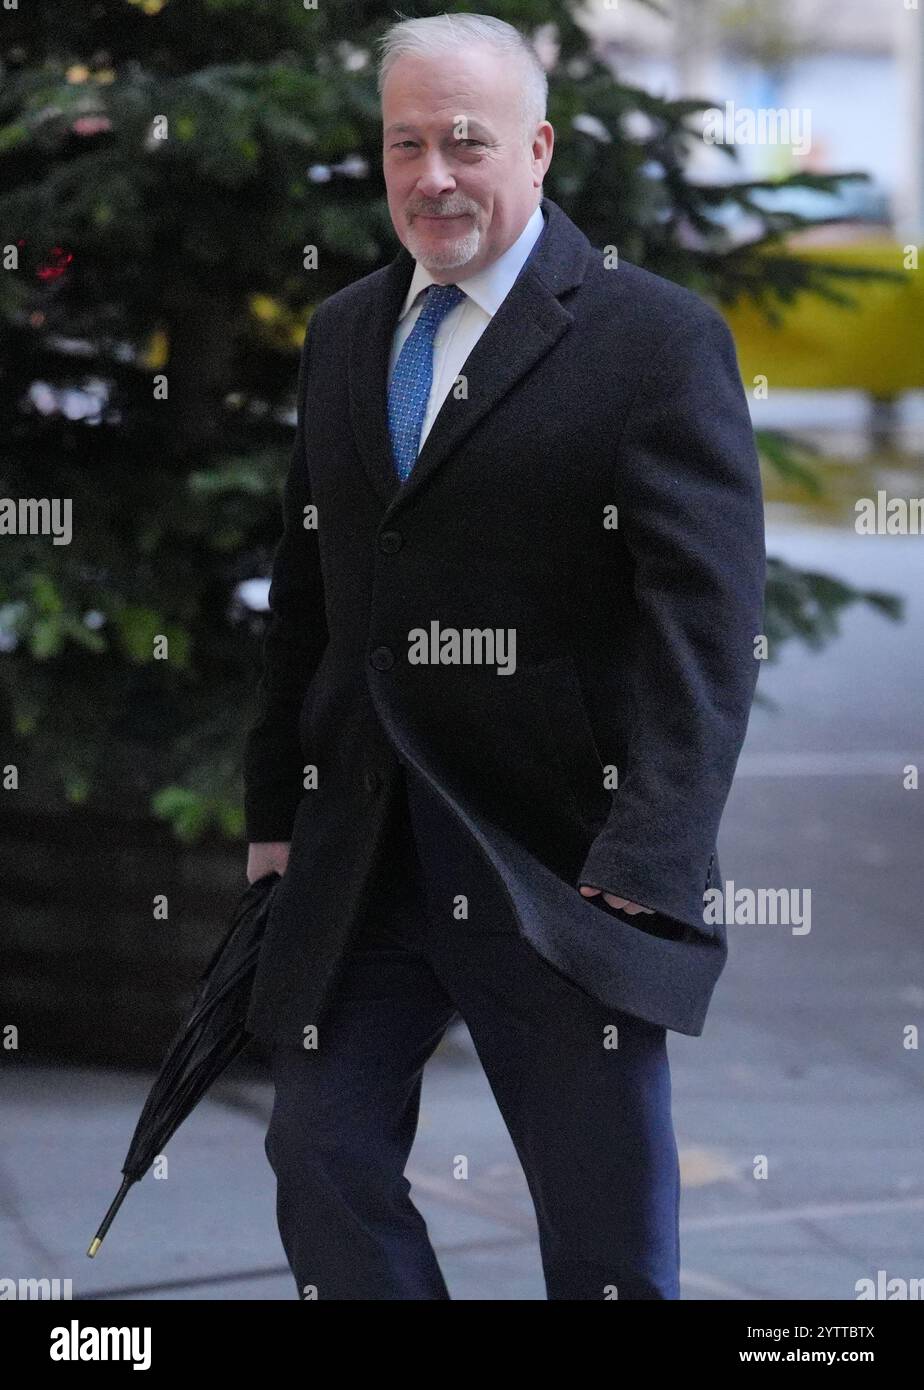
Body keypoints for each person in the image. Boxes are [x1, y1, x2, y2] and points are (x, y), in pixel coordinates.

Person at [244, 12, 766, 1300]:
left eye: (464, 143)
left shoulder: (653, 338)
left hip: (557, 863)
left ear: (535, 151)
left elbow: (702, 629)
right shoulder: (345, 336)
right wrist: (274, 812)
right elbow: (309, 598)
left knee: (607, 1244)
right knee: (320, 1150)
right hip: (367, 850)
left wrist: (651, 854)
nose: (432, 176)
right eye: (404, 144)